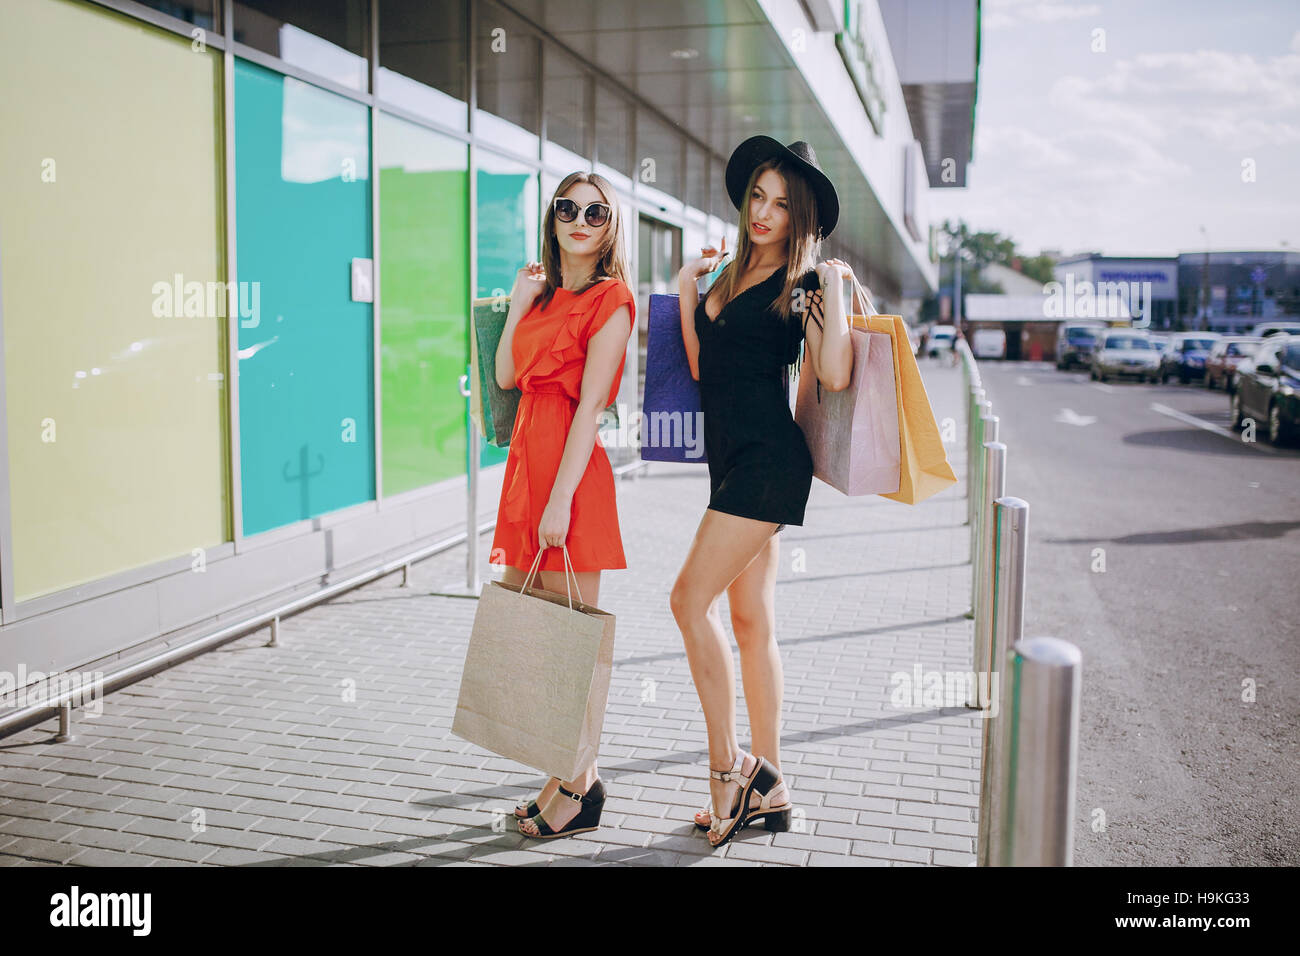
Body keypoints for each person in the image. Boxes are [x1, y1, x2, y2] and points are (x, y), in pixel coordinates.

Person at [671, 136, 856, 849]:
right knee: (749, 622)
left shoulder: (804, 284)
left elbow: (834, 372)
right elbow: (700, 365)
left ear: (799, 214)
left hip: (769, 464)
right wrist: (690, 286)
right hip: (731, 463)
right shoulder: (726, 275)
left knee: (688, 601)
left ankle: (730, 774)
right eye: (758, 196)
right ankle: (772, 786)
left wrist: (833, 291)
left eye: (781, 203)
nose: (765, 212)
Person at [490, 171, 635, 839]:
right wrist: (519, 303)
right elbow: (506, 377)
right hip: (526, 470)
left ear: (610, 227)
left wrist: (559, 502)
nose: (580, 220)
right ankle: (568, 774)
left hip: (568, 480)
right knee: (546, 637)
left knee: (572, 641)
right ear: (552, 220)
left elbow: (590, 413)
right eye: (567, 208)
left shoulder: (613, 301)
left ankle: (579, 786)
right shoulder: (544, 297)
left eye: (595, 212)